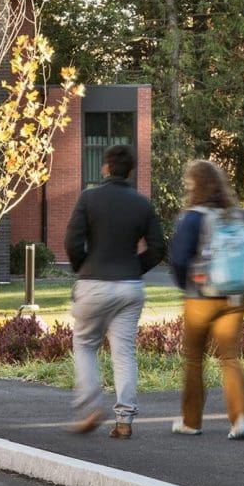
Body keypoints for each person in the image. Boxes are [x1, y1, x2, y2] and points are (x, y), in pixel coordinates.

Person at [64, 142, 165, 438]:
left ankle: (91, 405)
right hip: (130, 287)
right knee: (124, 354)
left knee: (84, 345)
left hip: (94, 282)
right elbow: (158, 248)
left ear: (105, 167)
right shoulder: (142, 203)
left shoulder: (89, 198)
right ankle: (124, 420)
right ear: (131, 171)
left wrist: (84, 267)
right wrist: (135, 267)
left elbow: (72, 242)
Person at [166, 158, 244, 439]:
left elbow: (178, 259)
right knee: (230, 358)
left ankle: (191, 422)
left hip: (200, 297)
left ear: (195, 186)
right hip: (236, 296)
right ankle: (239, 420)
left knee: (194, 360)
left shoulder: (193, 217)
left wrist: (186, 286)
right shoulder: (240, 216)